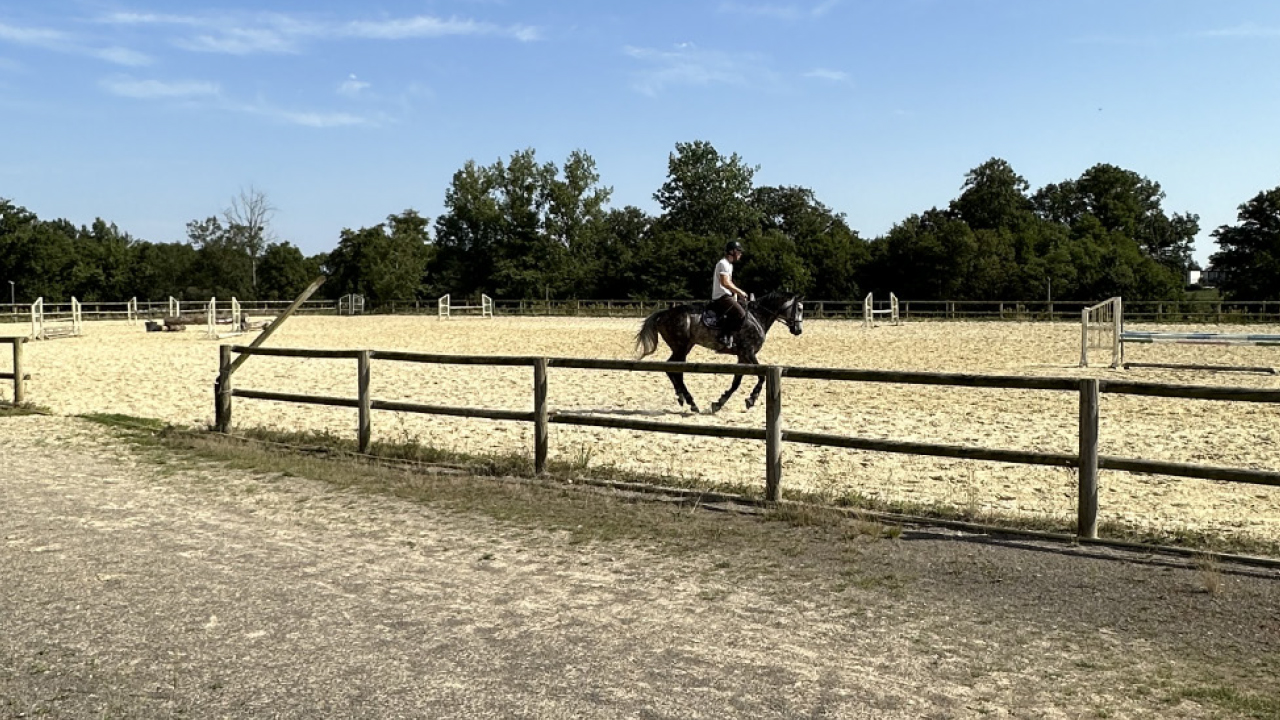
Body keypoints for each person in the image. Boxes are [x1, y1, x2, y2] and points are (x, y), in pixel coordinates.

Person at [711, 240, 749, 348]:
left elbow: (730, 282)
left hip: (727, 295)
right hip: (721, 296)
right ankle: (724, 336)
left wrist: (735, 295)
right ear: (732, 252)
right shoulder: (723, 263)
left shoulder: (729, 265)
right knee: (741, 314)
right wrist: (740, 292)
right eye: (739, 252)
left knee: (744, 306)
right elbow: (725, 282)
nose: (740, 254)